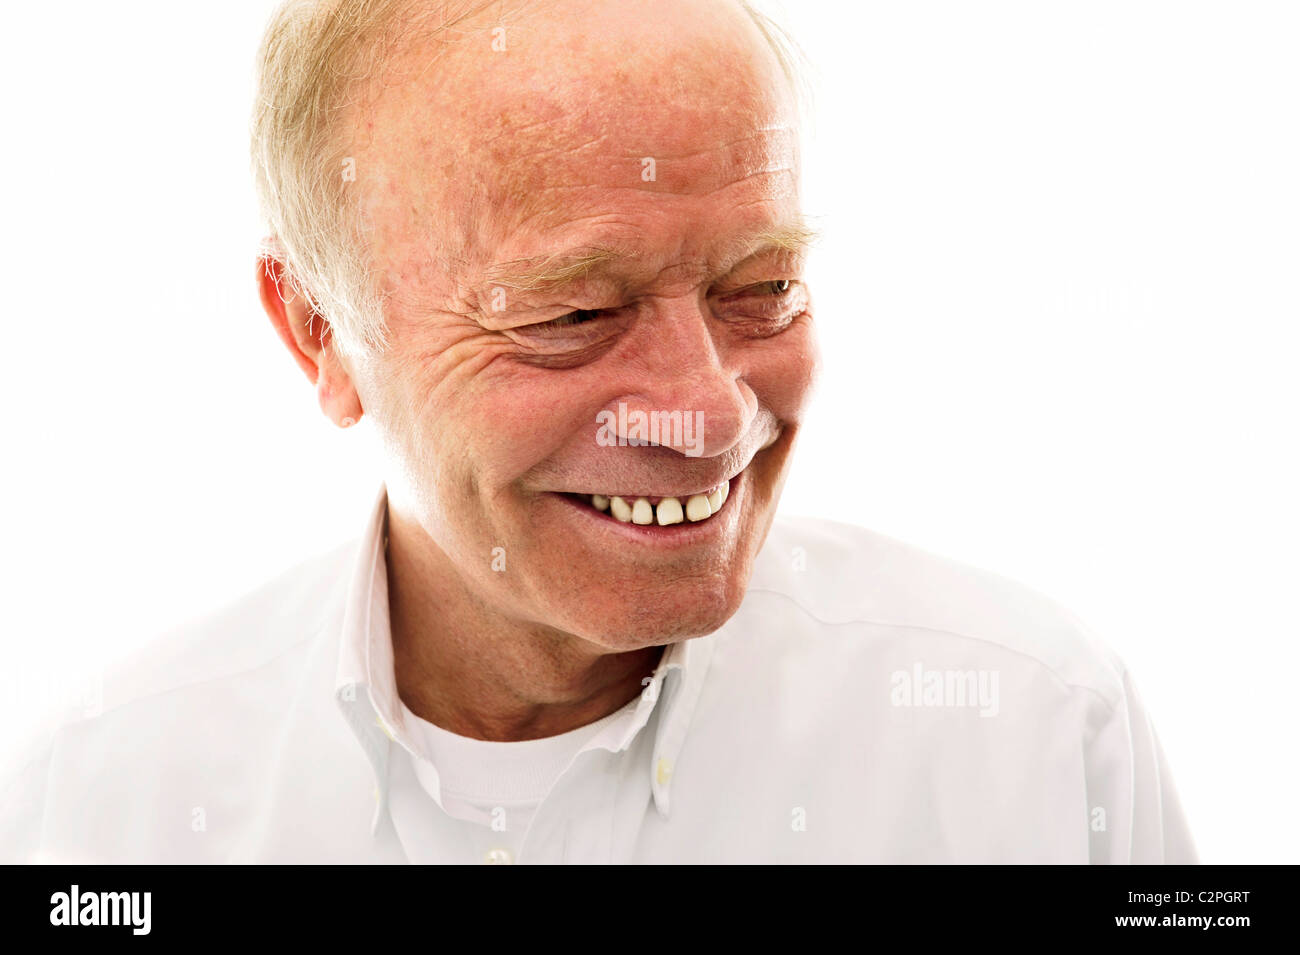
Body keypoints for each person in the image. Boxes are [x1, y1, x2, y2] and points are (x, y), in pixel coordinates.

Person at [0, 0, 1195, 863]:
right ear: (318, 332)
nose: (709, 410)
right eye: (574, 312)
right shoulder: (101, 801)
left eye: (759, 288)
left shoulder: (1035, 729)